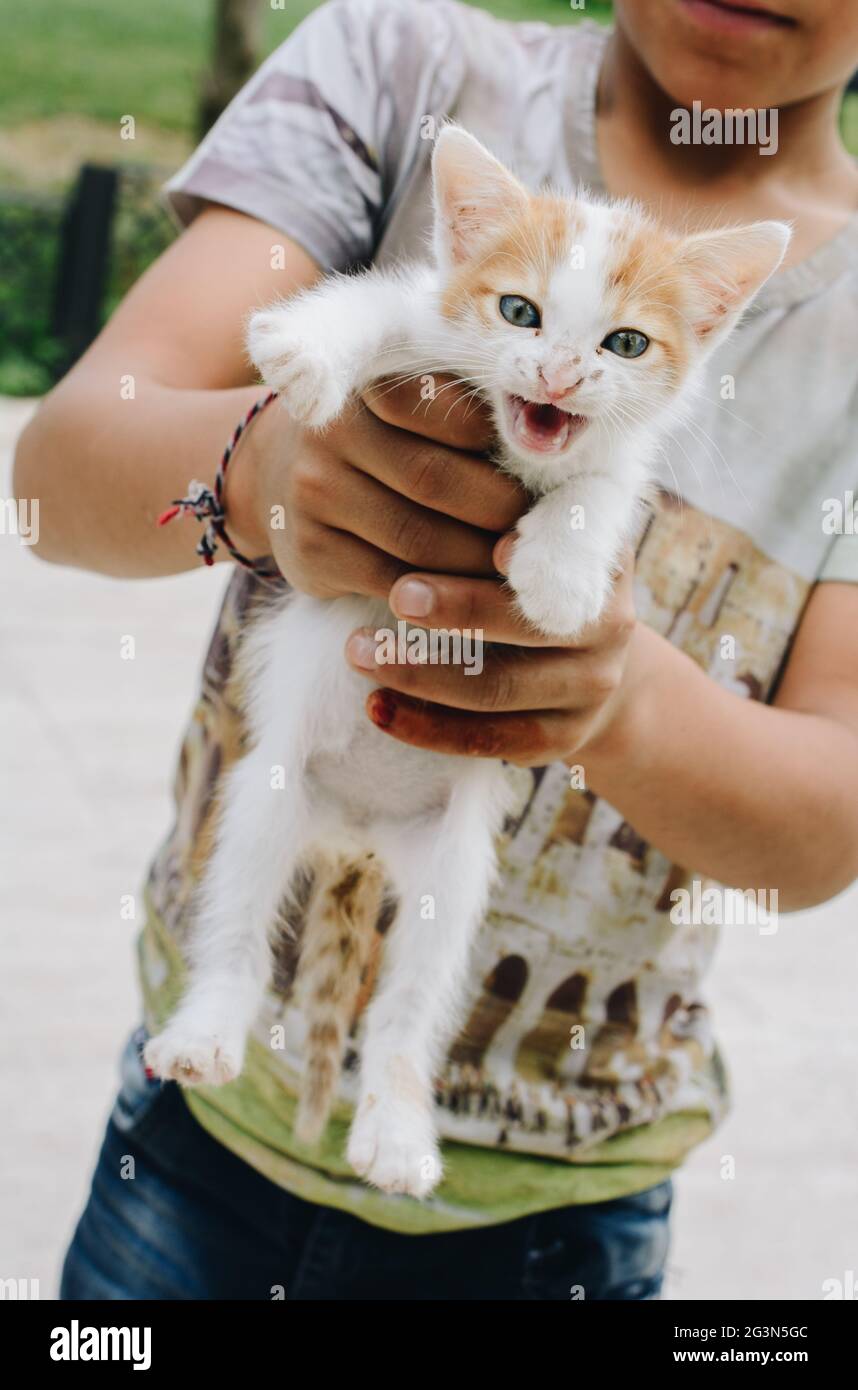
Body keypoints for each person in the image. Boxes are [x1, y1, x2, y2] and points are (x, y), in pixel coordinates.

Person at [14, 0, 858, 1301]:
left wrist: (605, 688)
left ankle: (392, 1076)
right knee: (274, 782)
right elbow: (50, 484)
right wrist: (267, 470)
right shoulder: (397, 70)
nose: (565, 374)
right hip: (188, 1161)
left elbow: (823, 834)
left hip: (563, 1216)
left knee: (453, 860)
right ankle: (228, 990)